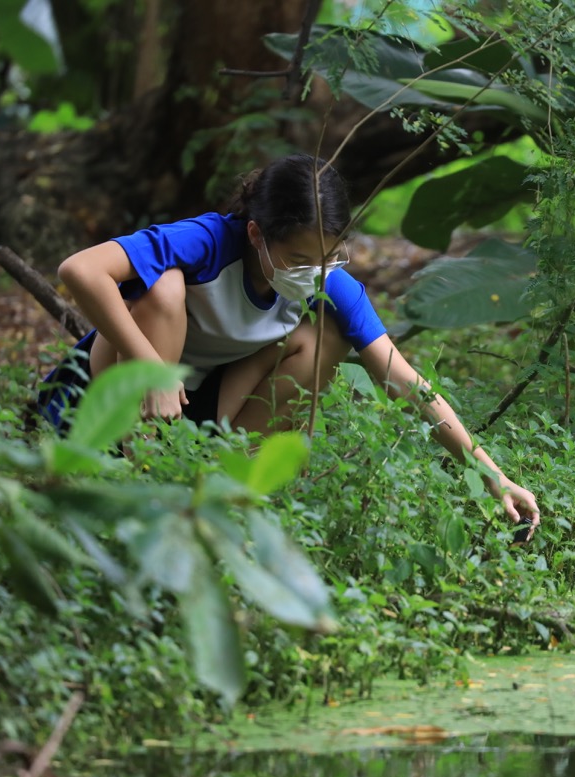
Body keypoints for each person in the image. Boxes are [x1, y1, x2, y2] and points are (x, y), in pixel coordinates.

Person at [37, 154, 540, 532]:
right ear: (257, 234)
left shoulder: (327, 284)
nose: (314, 271)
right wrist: (152, 371)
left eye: (328, 256)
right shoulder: (208, 241)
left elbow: (405, 380)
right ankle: (130, 474)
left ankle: (224, 494)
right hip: (105, 397)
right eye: (299, 258)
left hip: (196, 409)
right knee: (164, 286)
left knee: (324, 335)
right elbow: (78, 269)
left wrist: (494, 477)